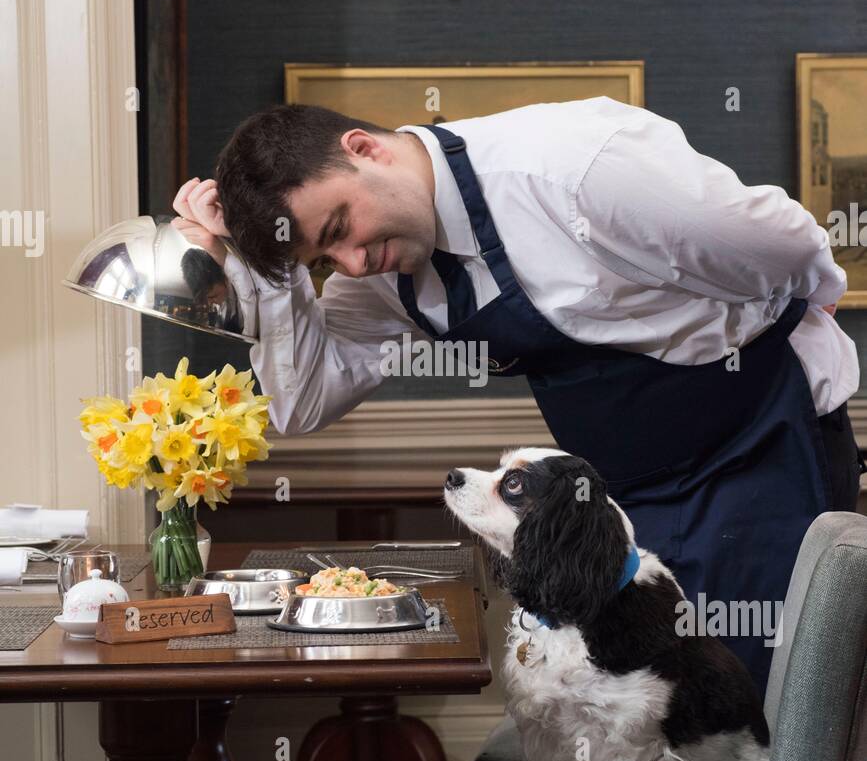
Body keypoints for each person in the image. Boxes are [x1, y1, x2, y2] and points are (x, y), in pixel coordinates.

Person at [172, 98, 863, 694]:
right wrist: (264, 269)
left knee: (757, 730)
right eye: (323, 262)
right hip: (623, 508)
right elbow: (301, 402)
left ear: (364, 150)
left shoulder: (573, 169)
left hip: (757, 464)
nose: (350, 264)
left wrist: (813, 299)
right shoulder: (385, 270)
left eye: (337, 231)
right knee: (650, 735)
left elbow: (782, 239)